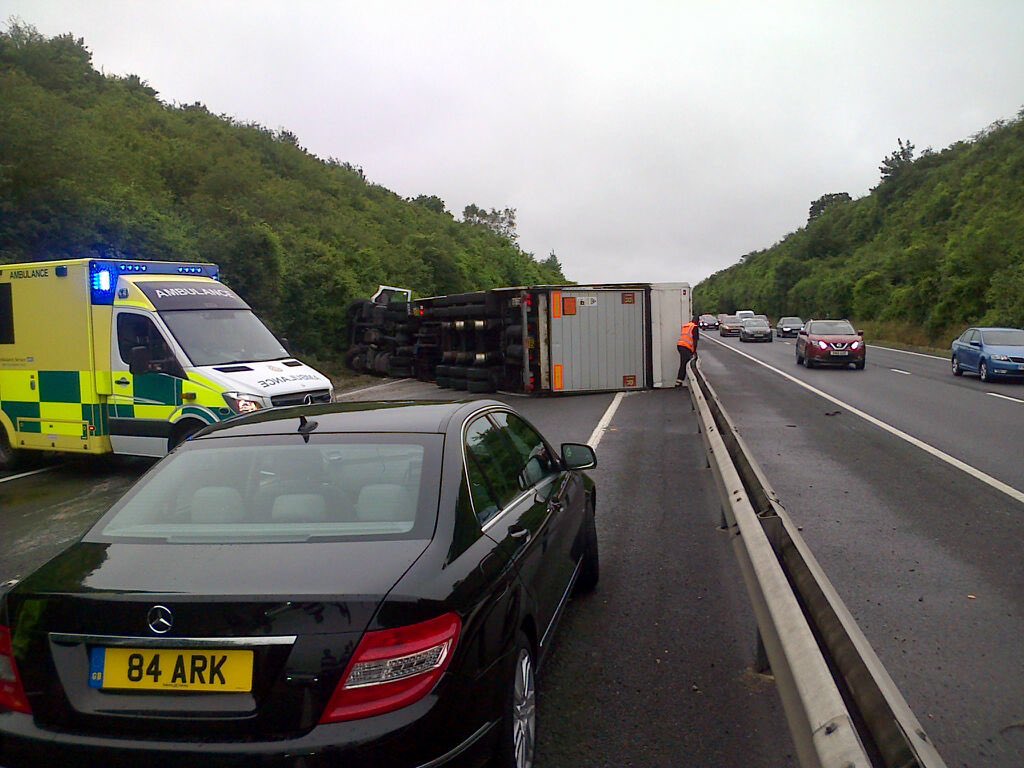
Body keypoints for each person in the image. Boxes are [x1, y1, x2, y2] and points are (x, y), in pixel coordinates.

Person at [676, 315, 699, 386]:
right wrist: (694, 352)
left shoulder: (687, 325)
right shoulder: (694, 327)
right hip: (686, 347)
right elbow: (695, 341)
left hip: (680, 345)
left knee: (684, 363)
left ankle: (680, 380)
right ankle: (680, 381)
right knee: (685, 364)